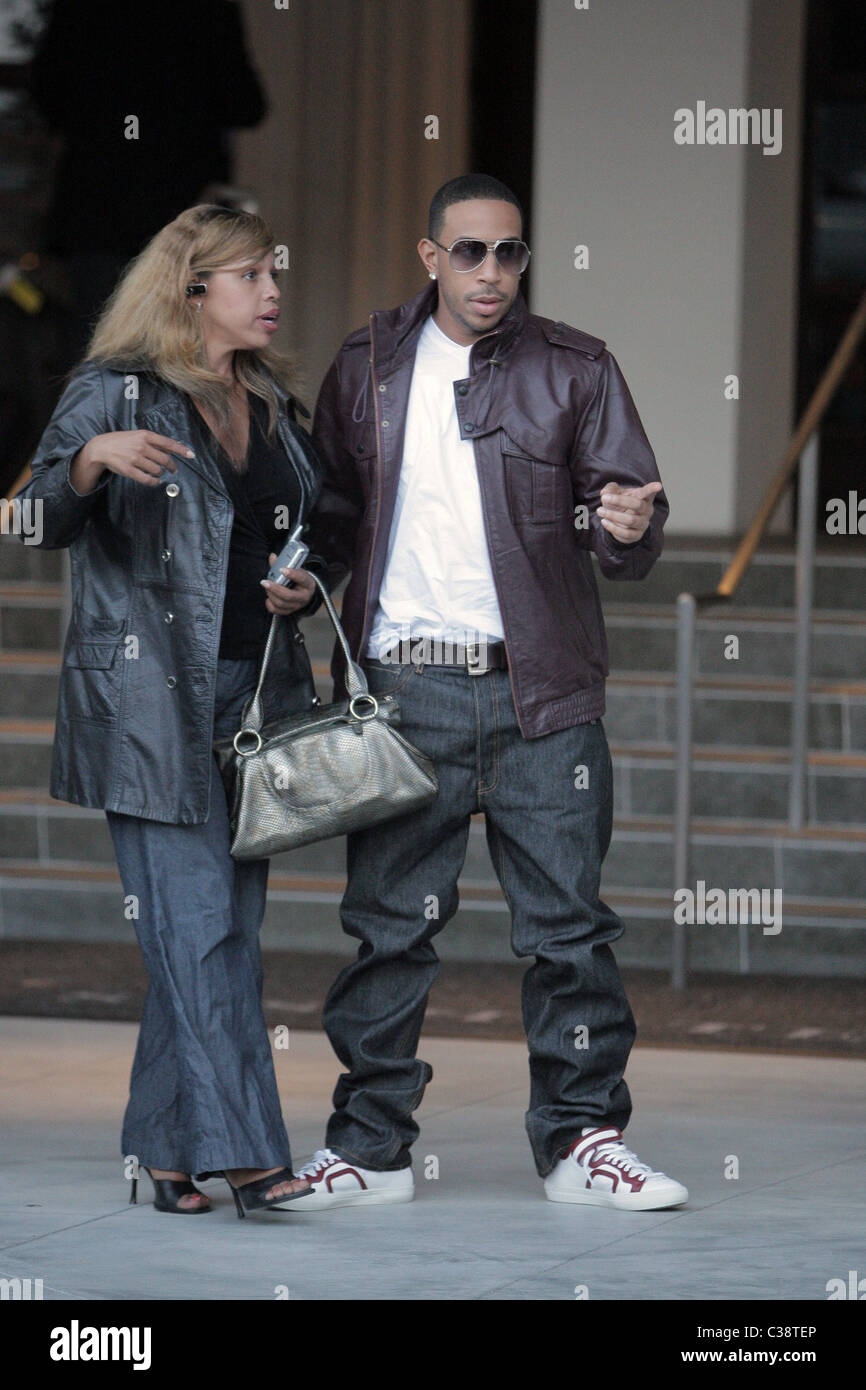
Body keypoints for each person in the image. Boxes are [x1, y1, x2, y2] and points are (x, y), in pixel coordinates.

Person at [300, 173, 688, 1212]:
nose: (490, 272)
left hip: (540, 698)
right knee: (387, 928)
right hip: (402, 689)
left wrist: (624, 524)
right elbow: (334, 509)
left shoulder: (575, 368)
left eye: (508, 252)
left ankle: (582, 1141)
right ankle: (369, 1148)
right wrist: (301, 574)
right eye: (467, 252)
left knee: (567, 933)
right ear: (429, 257)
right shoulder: (368, 364)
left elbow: (632, 523)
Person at [13, 204, 330, 1217]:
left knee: (217, 927)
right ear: (190, 292)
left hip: (254, 693)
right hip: (151, 700)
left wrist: (302, 579)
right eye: (249, 277)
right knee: (200, 934)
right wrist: (90, 460)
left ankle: (162, 1146)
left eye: (272, 274)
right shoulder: (112, 393)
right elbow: (28, 518)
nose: (272, 292)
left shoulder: (272, 397)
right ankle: (247, 1153)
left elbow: (298, 531)